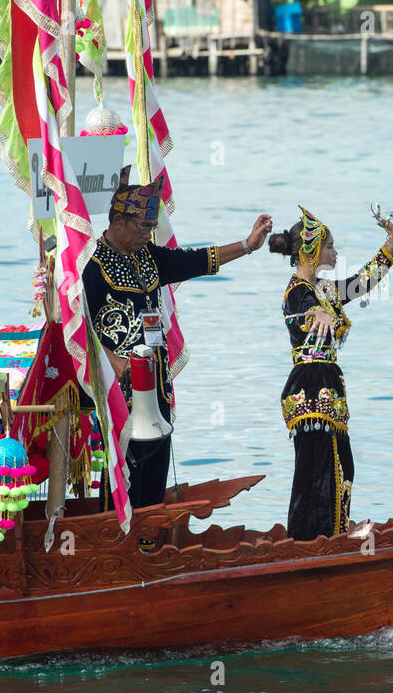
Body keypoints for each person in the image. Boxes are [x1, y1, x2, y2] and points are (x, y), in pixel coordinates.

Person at [83, 166, 272, 508]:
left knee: (155, 468)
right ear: (119, 220)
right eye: (143, 227)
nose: (148, 234)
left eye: (153, 228)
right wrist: (113, 361)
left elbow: (197, 260)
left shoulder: (149, 257)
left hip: (157, 385)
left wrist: (247, 245)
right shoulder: (93, 269)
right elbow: (80, 331)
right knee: (125, 470)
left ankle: (149, 542)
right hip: (121, 391)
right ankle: (111, 538)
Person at [269, 205, 393, 539]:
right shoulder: (297, 292)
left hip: (327, 388)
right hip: (310, 390)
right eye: (329, 246)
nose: (335, 251)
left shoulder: (324, 289)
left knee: (341, 466)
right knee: (316, 469)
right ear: (312, 250)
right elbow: (304, 309)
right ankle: (308, 540)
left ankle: (330, 533)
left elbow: (360, 284)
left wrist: (390, 246)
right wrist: (320, 316)